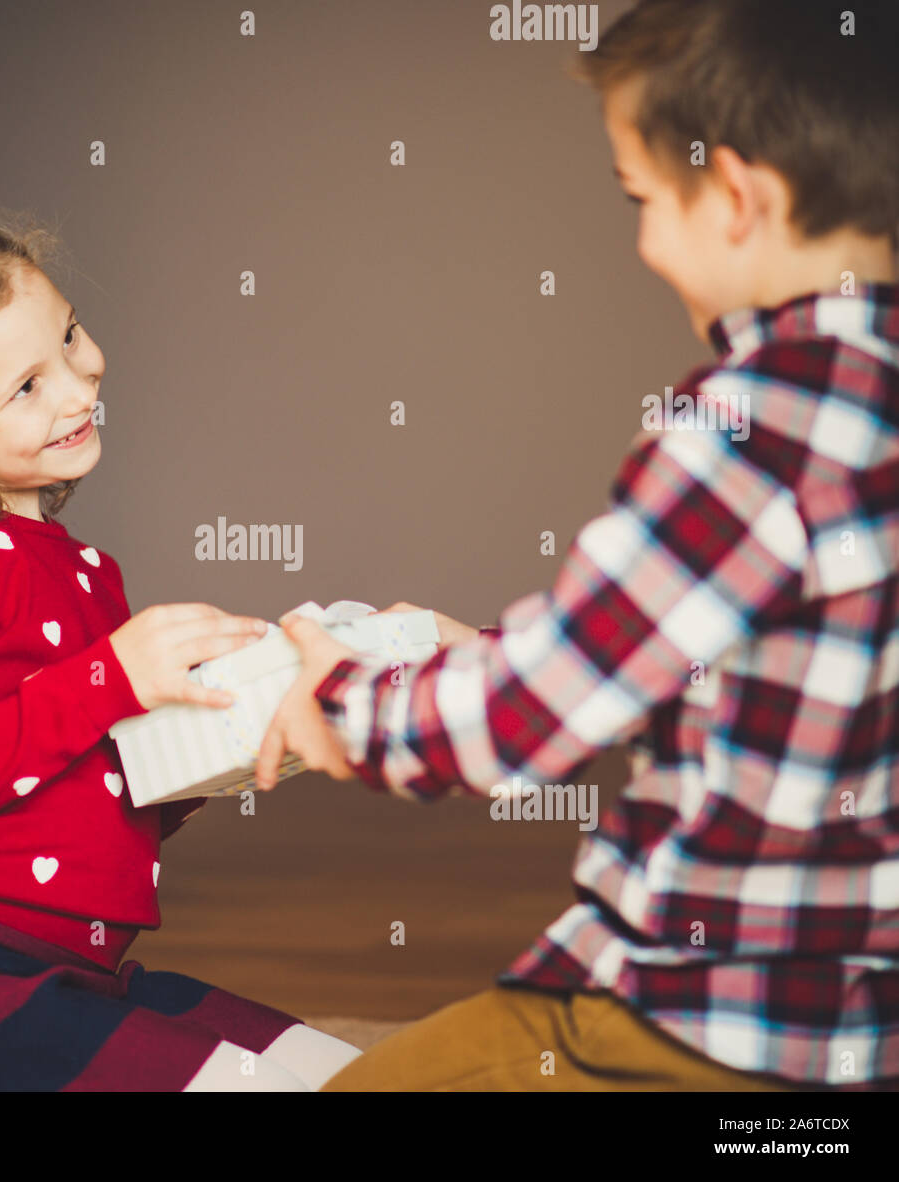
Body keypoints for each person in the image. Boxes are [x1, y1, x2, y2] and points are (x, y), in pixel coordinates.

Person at [258, 0, 899, 1092]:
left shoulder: (752, 427)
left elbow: (524, 721)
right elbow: (736, 647)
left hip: (700, 1015)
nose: (642, 238)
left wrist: (342, 710)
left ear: (738, 196)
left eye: (642, 199)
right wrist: (501, 645)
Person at [0, 197, 362, 1091]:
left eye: (71, 339)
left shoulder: (89, 570)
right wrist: (112, 677)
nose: (81, 387)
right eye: (27, 387)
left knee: (345, 1073)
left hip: (72, 978)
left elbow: (85, 782)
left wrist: (230, 738)